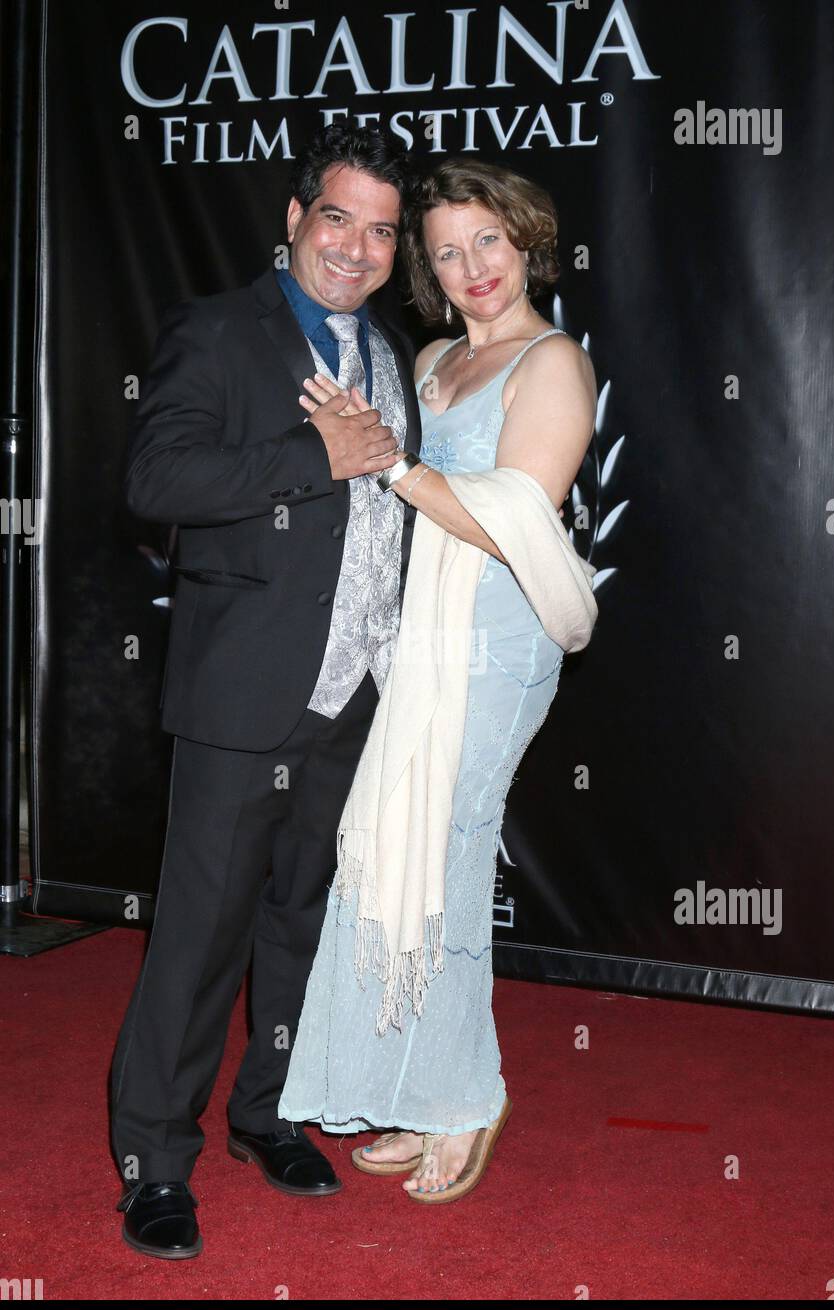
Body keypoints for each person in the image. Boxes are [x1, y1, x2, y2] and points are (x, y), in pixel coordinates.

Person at [109, 120, 420, 1258]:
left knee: (301, 923)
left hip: (354, 697)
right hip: (244, 694)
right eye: (337, 217)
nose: (357, 246)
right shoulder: (217, 330)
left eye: (381, 229)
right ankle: (154, 1155)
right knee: (198, 937)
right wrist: (313, 461)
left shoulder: (388, 351)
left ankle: (268, 1112)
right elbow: (156, 477)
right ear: (293, 220)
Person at [278, 156, 598, 1202]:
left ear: (524, 240)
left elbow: (516, 515)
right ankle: (410, 1087)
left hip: (499, 644)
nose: (472, 270)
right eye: (447, 252)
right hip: (420, 643)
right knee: (400, 851)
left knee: (453, 852)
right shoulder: (425, 364)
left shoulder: (552, 364)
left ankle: (466, 1095)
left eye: (487, 243)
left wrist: (396, 468)